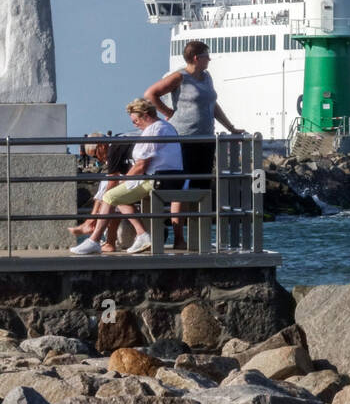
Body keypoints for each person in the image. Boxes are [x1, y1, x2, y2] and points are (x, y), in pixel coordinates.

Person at [143, 41, 240, 251]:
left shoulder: (207, 78)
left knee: (200, 189)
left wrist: (230, 127)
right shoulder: (180, 77)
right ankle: (179, 238)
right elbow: (150, 94)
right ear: (196, 57)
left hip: (205, 139)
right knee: (181, 189)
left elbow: (212, 105)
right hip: (183, 139)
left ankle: (199, 239)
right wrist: (169, 113)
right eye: (206, 55)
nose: (210, 59)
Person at [71, 98, 184, 255]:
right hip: (170, 178)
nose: (134, 124)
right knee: (117, 196)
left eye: (135, 120)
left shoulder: (154, 130)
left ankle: (95, 240)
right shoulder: (166, 127)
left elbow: (141, 165)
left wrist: (125, 180)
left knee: (110, 196)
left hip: (158, 180)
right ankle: (133, 236)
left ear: (146, 115)